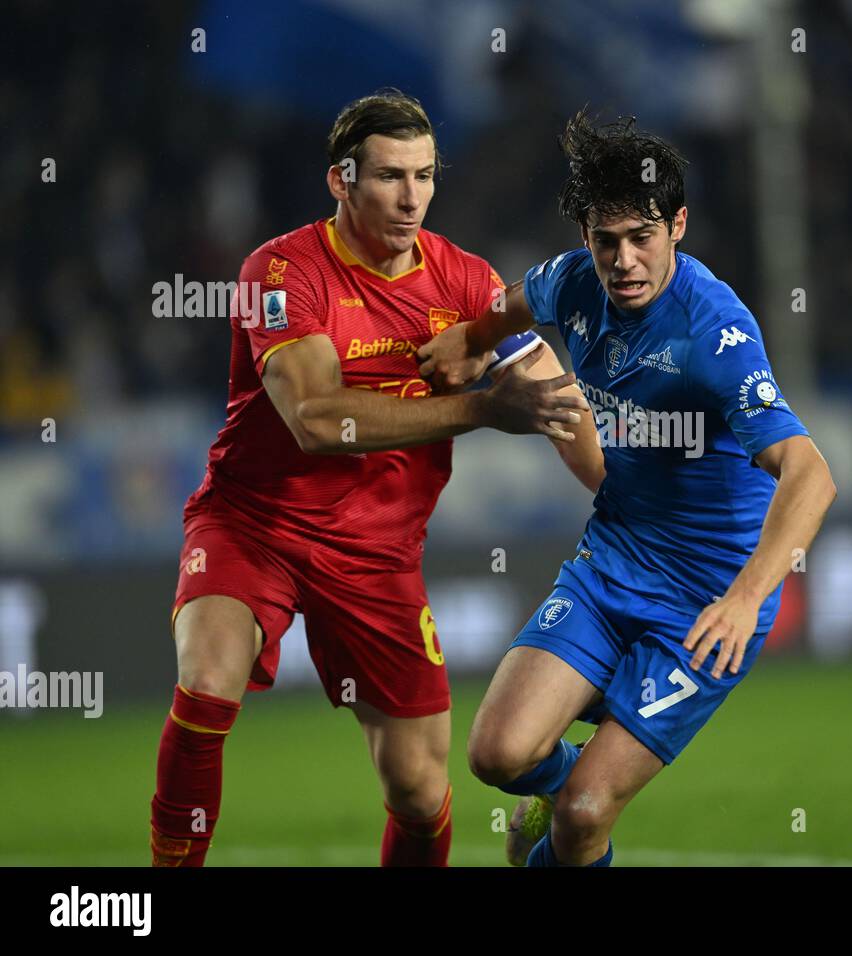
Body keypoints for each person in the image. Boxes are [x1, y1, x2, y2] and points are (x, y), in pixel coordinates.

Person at [150, 89, 601, 867]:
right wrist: (482, 411)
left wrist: (630, 504)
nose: (411, 197)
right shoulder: (282, 271)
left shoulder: (463, 284)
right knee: (208, 681)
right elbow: (317, 420)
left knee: (420, 793)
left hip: (378, 559)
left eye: (425, 176)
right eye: (391, 176)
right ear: (341, 180)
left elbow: (556, 403)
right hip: (253, 525)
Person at [418, 110, 837, 866]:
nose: (624, 260)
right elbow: (518, 300)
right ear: (586, 236)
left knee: (583, 817)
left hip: (703, 602)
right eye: (605, 240)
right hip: (611, 561)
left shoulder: (713, 335)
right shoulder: (573, 282)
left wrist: (745, 599)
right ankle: (569, 786)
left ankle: (576, 801)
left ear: (678, 225)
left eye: (642, 236)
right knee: (496, 754)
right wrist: (472, 340)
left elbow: (811, 473)